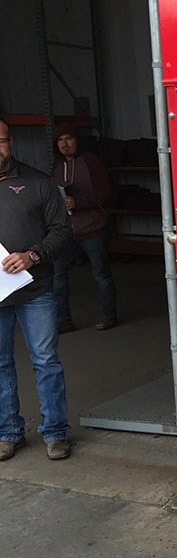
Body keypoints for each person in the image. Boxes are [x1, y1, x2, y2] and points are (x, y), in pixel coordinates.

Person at [0, 118, 72, 460]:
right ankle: (8, 432)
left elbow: (62, 231)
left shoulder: (38, 183)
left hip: (35, 291)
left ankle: (55, 432)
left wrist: (32, 256)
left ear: (10, 142)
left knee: (45, 361)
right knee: (0, 364)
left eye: (0, 141)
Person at [51, 122, 117, 332]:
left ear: (77, 140)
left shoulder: (92, 161)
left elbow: (105, 193)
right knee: (58, 275)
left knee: (101, 275)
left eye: (69, 139)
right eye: (60, 140)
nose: (65, 144)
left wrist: (78, 202)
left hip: (93, 228)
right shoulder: (57, 166)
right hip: (66, 231)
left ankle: (108, 315)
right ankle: (64, 319)